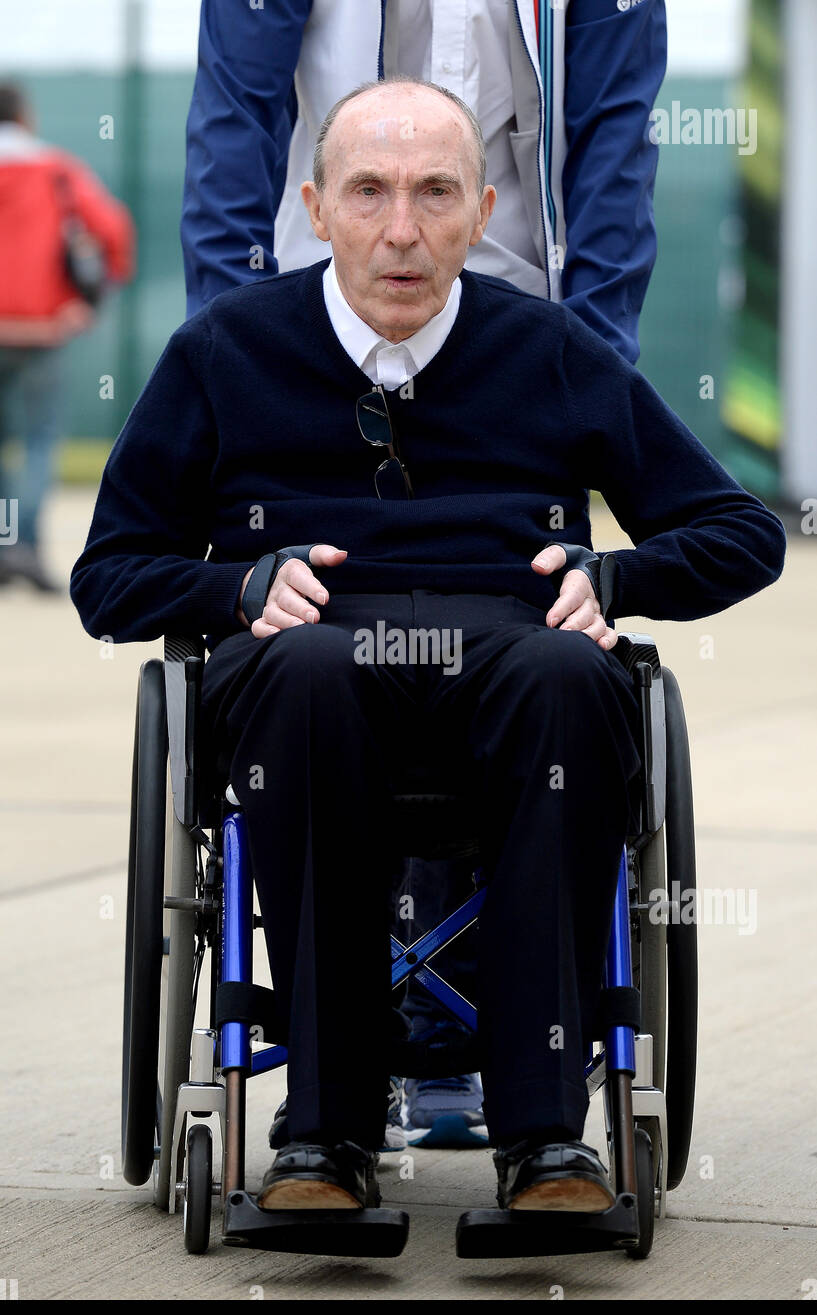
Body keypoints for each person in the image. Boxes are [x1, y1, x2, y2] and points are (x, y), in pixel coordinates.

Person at [70, 79, 785, 1216]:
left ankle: (548, 1140)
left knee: (570, 676)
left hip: (513, 665)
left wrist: (614, 579)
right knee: (306, 674)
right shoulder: (223, 353)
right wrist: (234, 585)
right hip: (302, 669)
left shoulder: (549, 351)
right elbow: (107, 576)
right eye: (368, 192)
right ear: (314, 206)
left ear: (480, 210)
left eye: (434, 193)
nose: (400, 229)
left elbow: (741, 533)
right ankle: (325, 1137)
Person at [180, 0, 670, 1151]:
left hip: (517, 324)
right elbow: (236, 122)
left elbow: (612, 139)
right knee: (329, 652)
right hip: (322, 308)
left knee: (515, 651)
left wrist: (588, 360)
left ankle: (473, 1051)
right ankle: (360, 1071)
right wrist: (236, 348)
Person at [0, 82, 134, 591]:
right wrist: (86, 303)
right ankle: (24, 551)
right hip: (42, 330)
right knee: (36, 443)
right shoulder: (56, 171)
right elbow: (113, 229)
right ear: (26, 117)